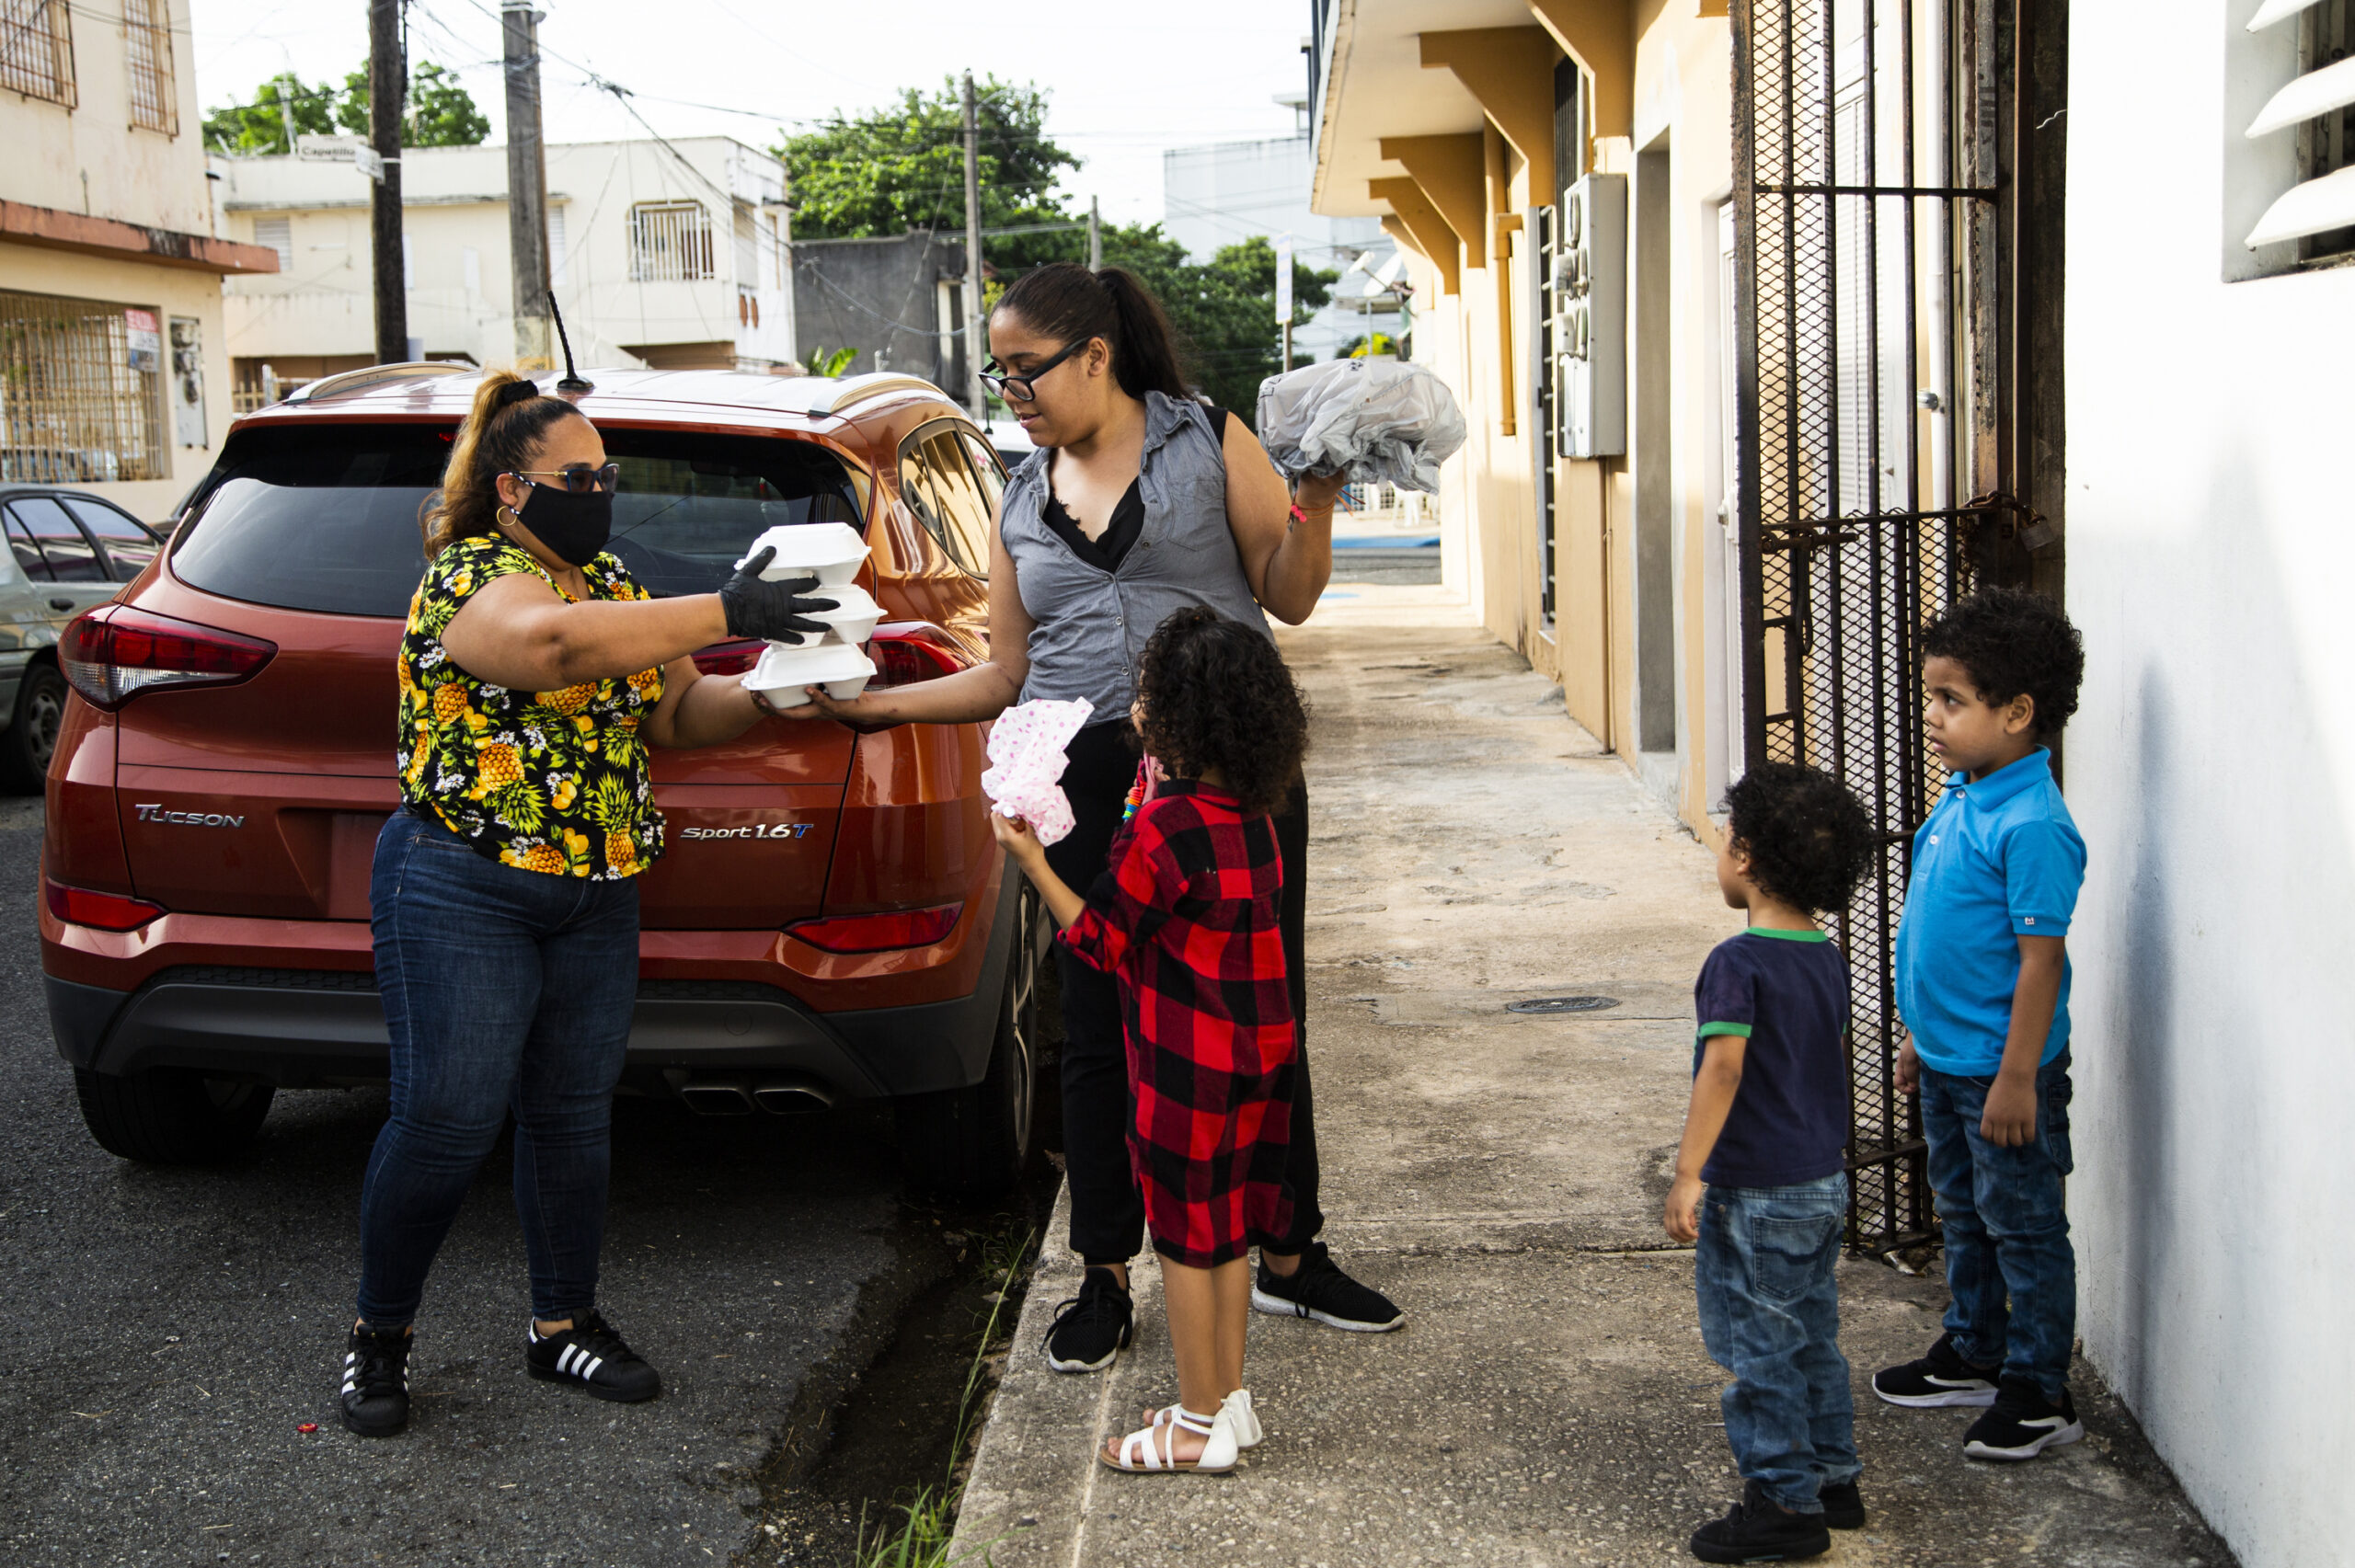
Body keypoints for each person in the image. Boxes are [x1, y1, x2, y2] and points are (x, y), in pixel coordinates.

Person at [779, 262, 1403, 1369]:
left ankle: (1290, 1256)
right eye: (1000, 374)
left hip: (1226, 775)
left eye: (1027, 370)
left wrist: (1319, 497)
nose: (1011, 392)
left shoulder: (1205, 438)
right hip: (1079, 779)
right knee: (1099, 1029)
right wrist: (868, 708)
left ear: (1097, 355)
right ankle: (1104, 1274)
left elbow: (1291, 593)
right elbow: (1003, 674)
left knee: (1258, 1019)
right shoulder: (1020, 494)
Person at [339, 372, 836, 1438]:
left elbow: (679, 716)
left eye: (609, 473)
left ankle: (561, 1321)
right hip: (462, 881)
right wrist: (728, 606)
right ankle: (380, 1337)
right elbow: (545, 651)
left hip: (596, 890)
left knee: (570, 1117)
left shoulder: (607, 575)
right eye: (583, 476)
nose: (603, 490)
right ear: (514, 491)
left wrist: (781, 682)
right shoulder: (470, 575)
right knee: (446, 1120)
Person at [992, 608, 1305, 1472]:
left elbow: (1100, 940)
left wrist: (1032, 862)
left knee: (1181, 1239)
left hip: (1184, 1064)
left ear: (1178, 714)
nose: (1134, 701)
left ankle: (1198, 1424)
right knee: (1227, 1229)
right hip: (1257, 1055)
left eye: (1146, 691)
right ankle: (1228, 1400)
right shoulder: (1253, 813)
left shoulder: (1167, 825)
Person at [1874, 586, 2088, 1462]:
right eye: (1931, 695)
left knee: (2025, 1226)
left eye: (1950, 700)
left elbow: (2040, 962)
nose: (1931, 715)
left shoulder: (2034, 823)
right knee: (1963, 1212)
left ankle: (2039, 1388)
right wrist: (1921, 1034)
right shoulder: (1967, 793)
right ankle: (1975, 1346)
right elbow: (1945, 938)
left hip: (2007, 1076)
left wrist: (2015, 1075)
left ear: (2018, 711)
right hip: (1953, 1062)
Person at [1667, 763, 1879, 1563]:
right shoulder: (1824, 954)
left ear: (1747, 855)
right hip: (1823, 1182)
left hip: (1757, 1194)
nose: (1720, 851)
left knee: (1759, 1348)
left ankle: (1784, 1500)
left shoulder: (1738, 962)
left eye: (1726, 839)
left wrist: (1691, 1170)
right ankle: (1834, 1478)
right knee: (1813, 1334)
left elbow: (1722, 1067)